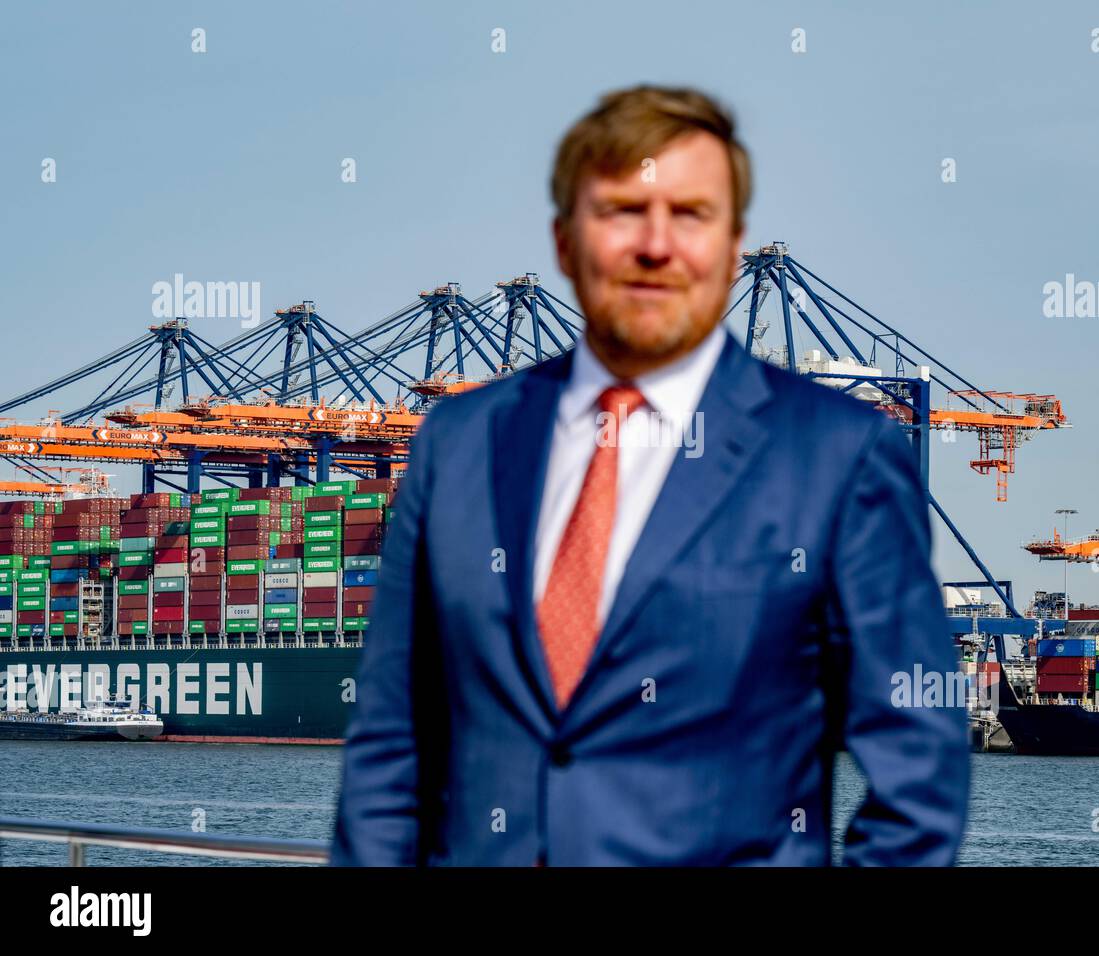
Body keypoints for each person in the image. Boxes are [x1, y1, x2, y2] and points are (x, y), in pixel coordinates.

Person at [331, 84, 968, 866]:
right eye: (623, 211)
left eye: (692, 214)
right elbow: (391, 742)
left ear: (734, 246)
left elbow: (921, 780)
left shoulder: (840, 455)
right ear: (565, 242)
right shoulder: (458, 441)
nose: (655, 246)